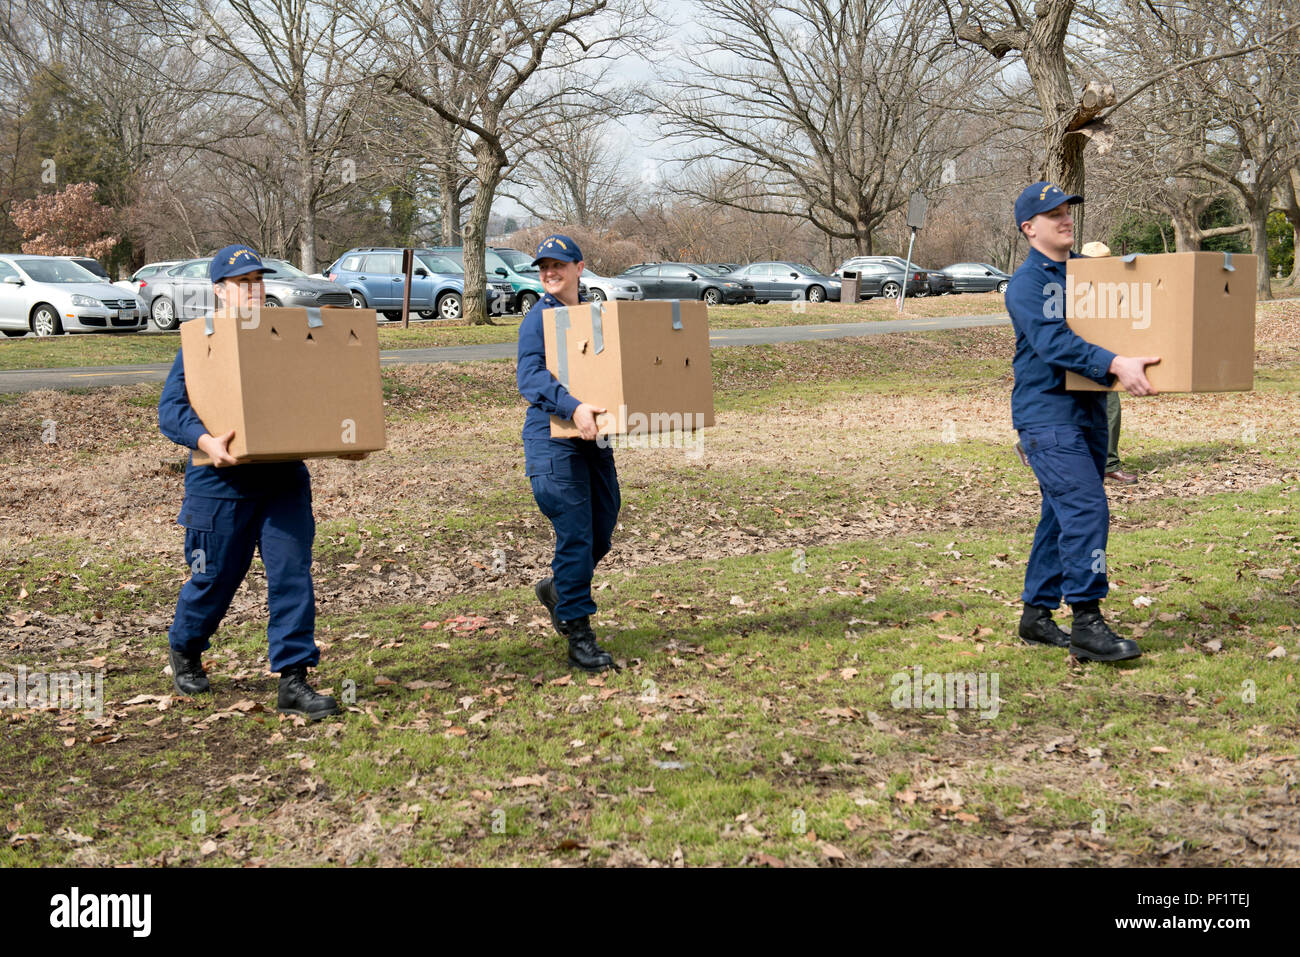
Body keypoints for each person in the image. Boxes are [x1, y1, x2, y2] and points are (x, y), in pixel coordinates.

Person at [158, 244, 349, 718]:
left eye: (257, 281)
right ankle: (185, 648)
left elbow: (316, 392)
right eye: (242, 284)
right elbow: (171, 411)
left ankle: (293, 677)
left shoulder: (283, 335)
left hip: (282, 479)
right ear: (221, 292)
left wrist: (342, 433)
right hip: (220, 484)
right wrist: (205, 441)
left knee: (291, 575)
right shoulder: (202, 342)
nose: (252, 291)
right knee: (214, 577)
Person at [1007, 184, 1159, 662]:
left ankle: (1035, 616)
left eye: (1067, 211)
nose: (1064, 219)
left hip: (1089, 411)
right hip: (1048, 416)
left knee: (1060, 514)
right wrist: (1116, 363)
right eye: (1051, 215)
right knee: (1086, 508)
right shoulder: (1029, 284)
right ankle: (1087, 620)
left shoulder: (1087, 278)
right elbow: (1056, 345)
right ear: (1029, 229)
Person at [515, 234, 620, 672]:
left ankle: (559, 588)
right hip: (552, 441)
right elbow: (530, 377)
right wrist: (572, 407)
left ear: (580, 267)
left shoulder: (594, 315)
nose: (549, 272)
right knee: (576, 534)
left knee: (602, 526)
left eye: (558, 264)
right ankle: (579, 634)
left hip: (593, 439)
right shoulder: (537, 320)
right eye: (543, 266)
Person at [1080, 241, 1138, 485]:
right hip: (1079, 358)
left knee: (1110, 409)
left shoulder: (1116, 287)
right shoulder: (1071, 285)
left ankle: (1109, 464)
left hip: (1105, 360)